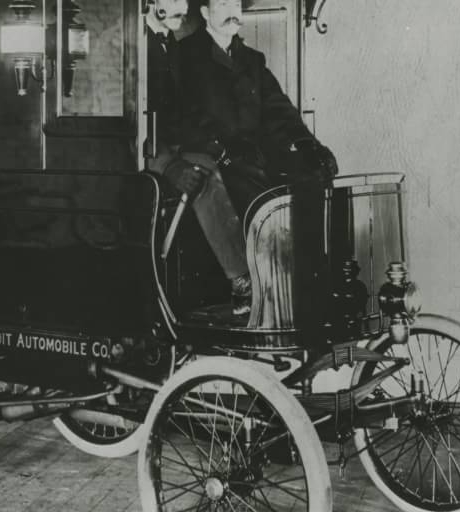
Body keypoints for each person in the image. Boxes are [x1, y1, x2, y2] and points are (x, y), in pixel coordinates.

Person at [177, 0, 340, 327]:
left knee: (311, 176)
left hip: (253, 157)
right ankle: (251, 286)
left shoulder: (252, 61)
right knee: (251, 190)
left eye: (236, 3)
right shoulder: (184, 57)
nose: (232, 10)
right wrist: (218, 147)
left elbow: (280, 113)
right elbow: (181, 116)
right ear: (206, 13)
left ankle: (311, 287)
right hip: (214, 157)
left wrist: (309, 147)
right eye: (222, 3)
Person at [143, 0, 255, 315]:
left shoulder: (172, 47)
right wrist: (168, 165)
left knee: (238, 170)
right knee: (204, 175)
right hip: (141, 151)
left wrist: (220, 147)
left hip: (174, 145)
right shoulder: (127, 45)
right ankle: (241, 281)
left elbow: (188, 111)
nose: (183, 6)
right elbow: (129, 123)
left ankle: (256, 274)